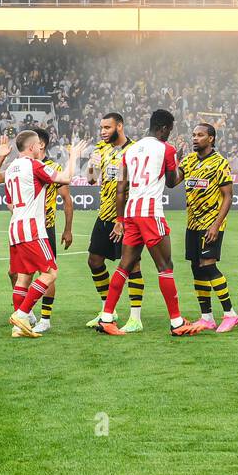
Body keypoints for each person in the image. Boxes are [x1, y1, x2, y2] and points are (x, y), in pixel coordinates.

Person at [95, 109, 203, 336]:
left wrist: (121, 219)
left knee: (124, 265)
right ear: (163, 128)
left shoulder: (131, 150)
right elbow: (173, 182)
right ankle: (176, 323)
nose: (169, 135)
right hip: (150, 213)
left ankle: (106, 318)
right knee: (165, 266)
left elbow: (121, 188)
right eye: (169, 131)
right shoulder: (166, 149)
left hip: (132, 212)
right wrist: (181, 164)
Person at [0, 130, 86, 338]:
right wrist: (73, 156)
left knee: (24, 277)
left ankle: (18, 328)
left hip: (15, 228)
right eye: (39, 145)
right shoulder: (35, 165)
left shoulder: (11, 168)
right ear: (31, 147)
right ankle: (21, 315)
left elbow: (10, 202)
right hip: (32, 230)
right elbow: (66, 178)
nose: (41, 148)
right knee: (50, 273)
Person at [172, 122, 238, 332]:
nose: (195, 138)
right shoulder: (189, 160)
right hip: (192, 224)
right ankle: (207, 317)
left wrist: (216, 225)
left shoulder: (219, 163)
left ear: (211, 139)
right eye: (193, 134)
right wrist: (173, 161)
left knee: (208, 265)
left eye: (200, 135)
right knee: (196, 268)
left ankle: (230, 314)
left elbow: (228, 196)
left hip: (211, 224)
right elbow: (172, 182)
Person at [85, 112, 145, 331]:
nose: (103, 132)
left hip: (129, 218)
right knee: (94, 261)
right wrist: (92, 164)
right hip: (105, 215)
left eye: (107, 128)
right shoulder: (100, 149)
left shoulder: (135, 149)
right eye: (101, 128)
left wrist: (125, 219)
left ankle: (135, 318)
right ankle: (107, 309)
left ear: (119, 126)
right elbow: (91, 180)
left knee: (132, 264)